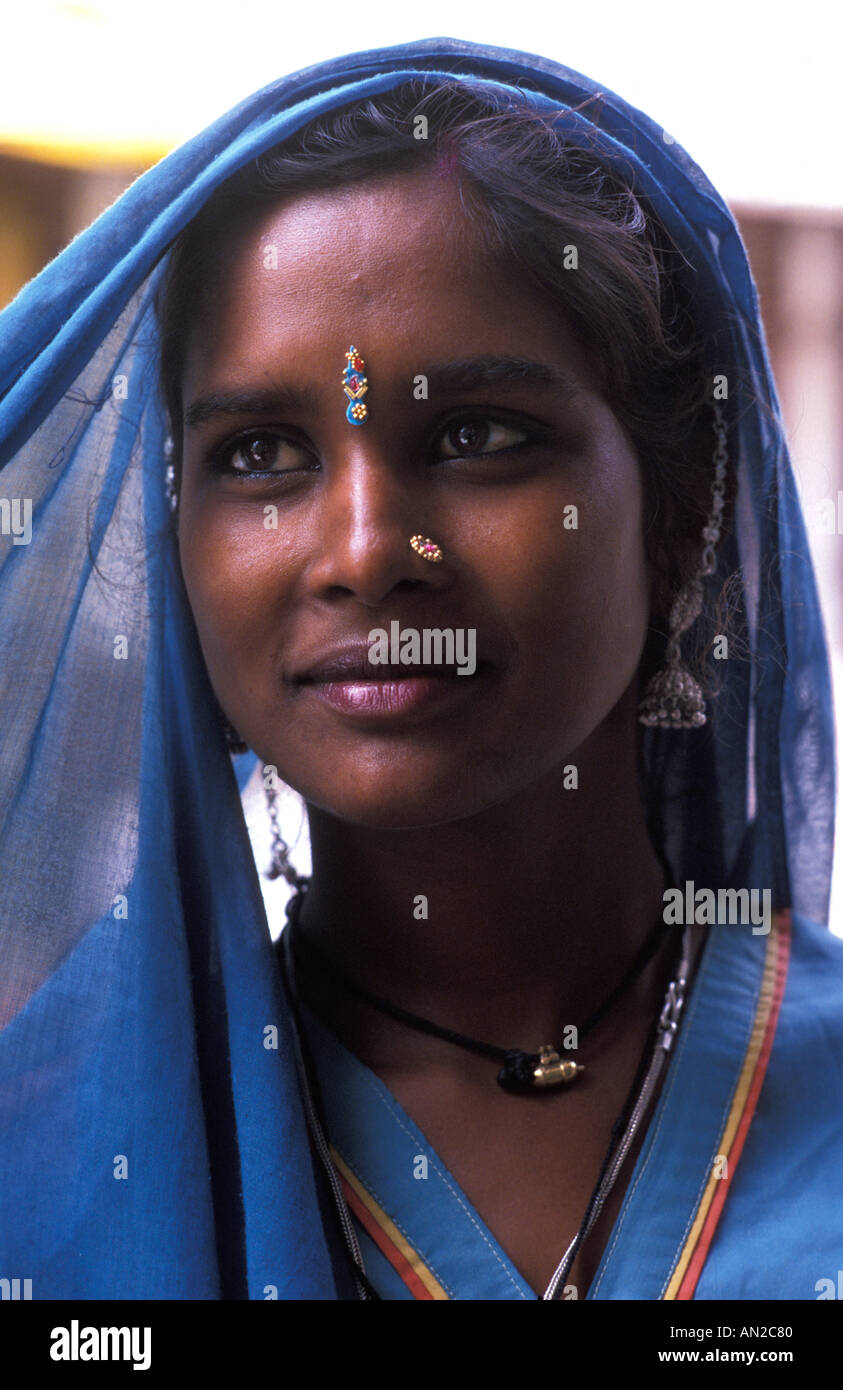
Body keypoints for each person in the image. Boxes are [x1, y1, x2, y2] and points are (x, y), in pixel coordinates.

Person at [0, 37, 839, 1303]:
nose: (365, 554)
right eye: (263, 456)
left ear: (682, 510)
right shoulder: (53, 1167)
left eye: (477, 434)